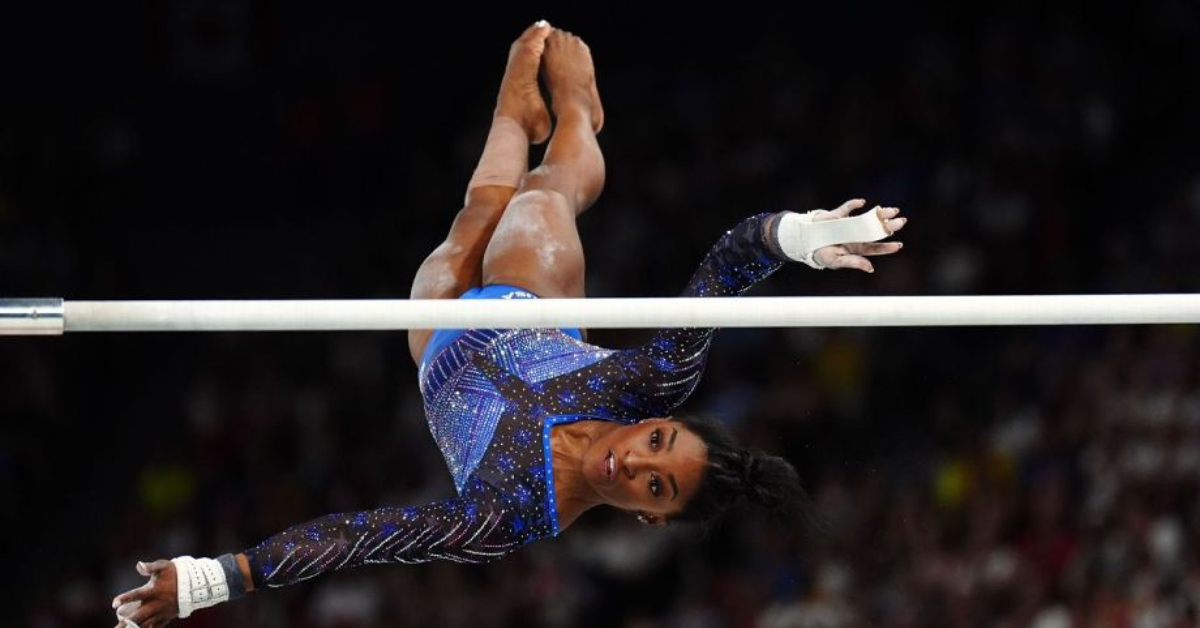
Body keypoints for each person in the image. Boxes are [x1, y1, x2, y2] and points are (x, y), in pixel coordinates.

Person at [111, 20, 907, 627]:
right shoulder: (648, 381)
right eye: (658, 444)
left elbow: (367, 535)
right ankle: (579, 122)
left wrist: (215, 578)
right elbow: (732, 259)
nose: (636, 461)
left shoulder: (510, 514)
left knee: (476, 215)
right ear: (659, 423)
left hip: (440, 346)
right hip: (535, 305)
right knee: (536, 203)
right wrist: (805, 237)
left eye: (656, 487)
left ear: (650, 516)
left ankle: (509, 110)